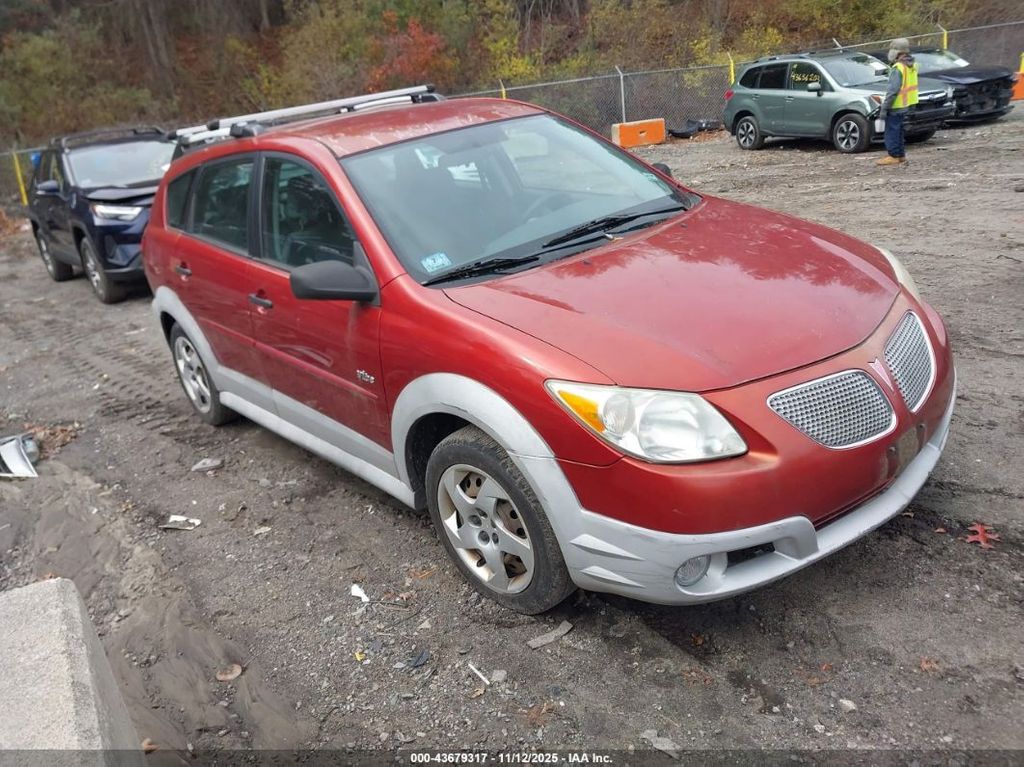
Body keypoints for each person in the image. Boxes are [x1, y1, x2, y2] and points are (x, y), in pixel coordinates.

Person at [877, 38, 918, 166]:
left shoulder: (898, 68)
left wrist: (884, 108)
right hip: (907, 104)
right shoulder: (911, 65)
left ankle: (893, 155)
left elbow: (892, 91)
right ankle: (900, 155)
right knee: (899, 131)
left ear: (896, 52)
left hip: (896, 105)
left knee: (892, 131)